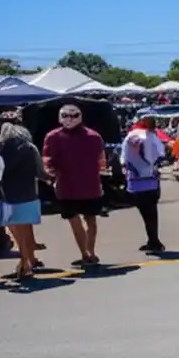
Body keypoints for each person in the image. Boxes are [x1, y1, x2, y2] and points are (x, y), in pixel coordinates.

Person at [42, 103, 106, 267]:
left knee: (85, 219)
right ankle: (87, 253)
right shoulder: (93, 136)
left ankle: (87, 253)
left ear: (81, 116)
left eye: (74, 115)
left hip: (79, 186)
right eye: (65, 115)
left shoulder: (92, 136)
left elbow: (47, 162)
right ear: (59, 117)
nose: (69, 119)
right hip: (72, 186)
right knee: (81, 219)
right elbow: (102, 162)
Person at [0, 124, 46, 280]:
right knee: (25, 229)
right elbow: (40, 172)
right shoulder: (30, 148)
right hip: (29, 194)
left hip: (6, 195)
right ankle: (29, 260)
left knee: (16, 230)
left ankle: (25, 263)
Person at [120, 114, 166, 253]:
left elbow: (124, 160)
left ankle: (153, 241)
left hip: (136, 182)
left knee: (145, 213)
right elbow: (161, 156)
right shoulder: (153, 137)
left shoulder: (130, 136)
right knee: (152, 213)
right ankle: (154, 240)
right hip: (151, 181)